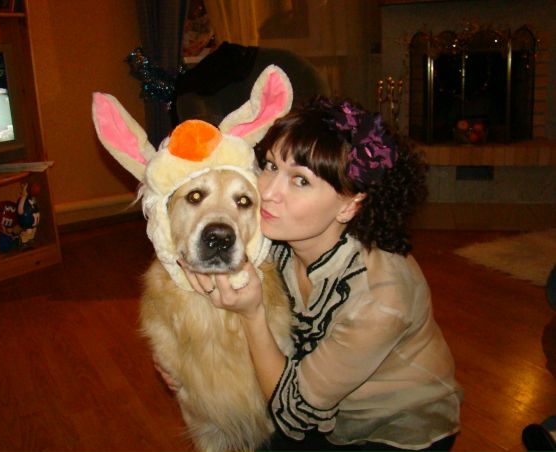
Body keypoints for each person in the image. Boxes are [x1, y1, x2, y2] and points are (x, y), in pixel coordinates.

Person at [180, 97, 463, 452]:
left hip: (396, 429)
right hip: (309, 401)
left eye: (300, 180)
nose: (268, 192)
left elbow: (294, 415)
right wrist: (183, 371)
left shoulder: (381, 296)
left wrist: (253, 315)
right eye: (270, 166)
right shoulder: (275, 239)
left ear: (350, 204)